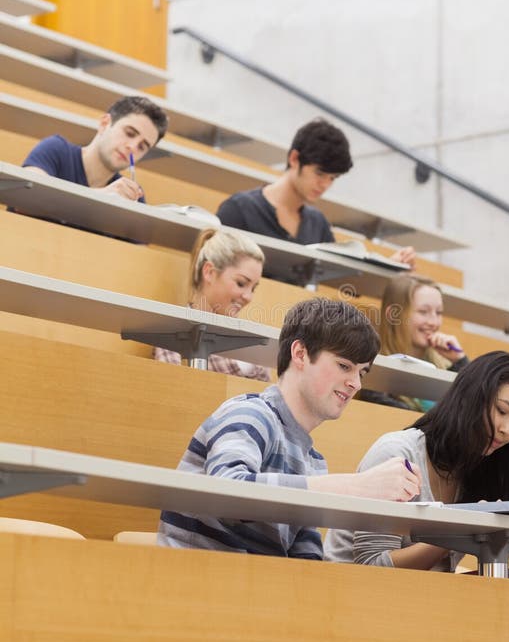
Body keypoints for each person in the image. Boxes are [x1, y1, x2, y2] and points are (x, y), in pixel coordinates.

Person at [158, 297, 422, 557]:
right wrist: (356, 487)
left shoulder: (313, 462)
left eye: (361, 372)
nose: (356, 384)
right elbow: (227, 490)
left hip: (256, 589)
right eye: (344, 366)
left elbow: (305, 562)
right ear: (300, 354)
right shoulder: (250, 414)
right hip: (195, 583)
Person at [325, 350, 509, 572]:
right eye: (501, 411)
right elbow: (371, 567)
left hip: (422, 600)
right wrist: (459, 531)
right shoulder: (397, 454)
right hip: (352, 595)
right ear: (469, 400)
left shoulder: (482, 463)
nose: (507, 430)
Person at [216, 118, 416, 279]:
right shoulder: (239, 210)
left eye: (333, 178)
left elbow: (336, 283)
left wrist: (389, 267)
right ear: (294, 159)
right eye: (320, 174)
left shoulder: (318, 224)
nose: (325, 185)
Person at [153, 227, 271, 381]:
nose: (248, 297)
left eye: (253, 288)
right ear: (209, 272)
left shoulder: (253, 342)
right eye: (241, 283)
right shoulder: (173, 334)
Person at [22, 95, 168, 202]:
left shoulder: (130, 194)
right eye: (129, 133)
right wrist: (100, 196)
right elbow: (26, 196)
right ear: (105, 123)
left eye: (142, 147)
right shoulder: (55, 150)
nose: (132, 147)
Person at [361, 274, 469, 411]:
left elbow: (473, 409)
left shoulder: (445, 366)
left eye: (439, 312)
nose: (433, 322)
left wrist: (460, 361)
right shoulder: (374, 370)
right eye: (423, 312)